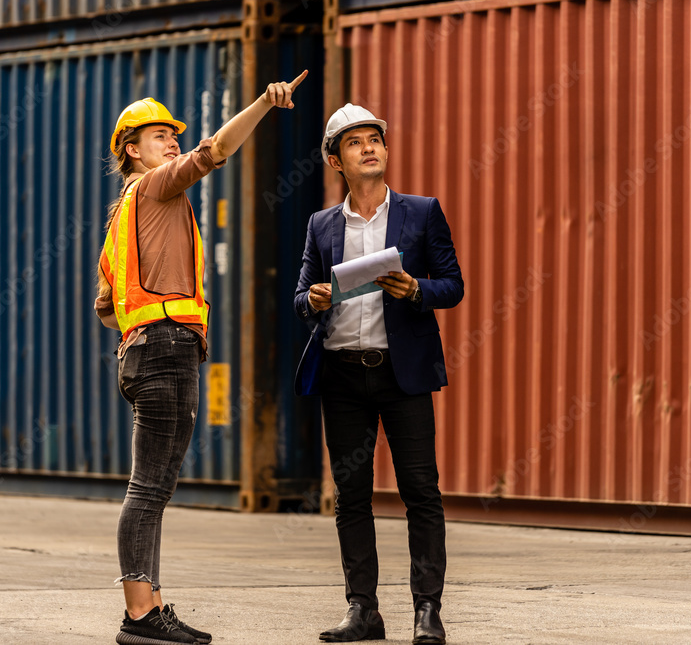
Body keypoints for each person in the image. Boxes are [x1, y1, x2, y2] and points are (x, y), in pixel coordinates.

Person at [96, 71, 308, 645]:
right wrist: (263, 103)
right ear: (131, 150)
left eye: (173, 134)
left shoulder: (122, 216)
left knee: (153, 487)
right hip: (165, 349)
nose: (172, 141)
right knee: (149, 488)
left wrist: (148, 318)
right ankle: (140, 615)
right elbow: (214, 151)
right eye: (159, 135)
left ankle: (150, 607)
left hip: (143, 350)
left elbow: (107, 308)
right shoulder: (156, 187)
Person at [293, 104, 464, 644]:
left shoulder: (422, 212)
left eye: (375, 139)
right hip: (342, 375)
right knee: (351, 496)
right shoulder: (321, 224)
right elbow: (299, 297)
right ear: (335, 161)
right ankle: (362, 610)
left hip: (402, 375)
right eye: (355, 142)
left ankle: (427, 611)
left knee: (421, 492)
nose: (369, 148)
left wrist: (416, 289)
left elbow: (453, 285)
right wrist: (314, 298)